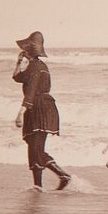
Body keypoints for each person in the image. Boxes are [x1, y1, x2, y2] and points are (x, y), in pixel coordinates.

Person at [12, 31, 71, 190]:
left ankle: (63, 175)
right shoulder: (39, 66)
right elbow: (17, 78)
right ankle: (38, 185)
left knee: (36, 148)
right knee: (34, 146)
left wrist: (20, 113)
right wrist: (19, 63)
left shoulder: (35, 68)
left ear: (29, 51)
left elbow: (31, 92)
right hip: (42, 108)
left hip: (40, 109)